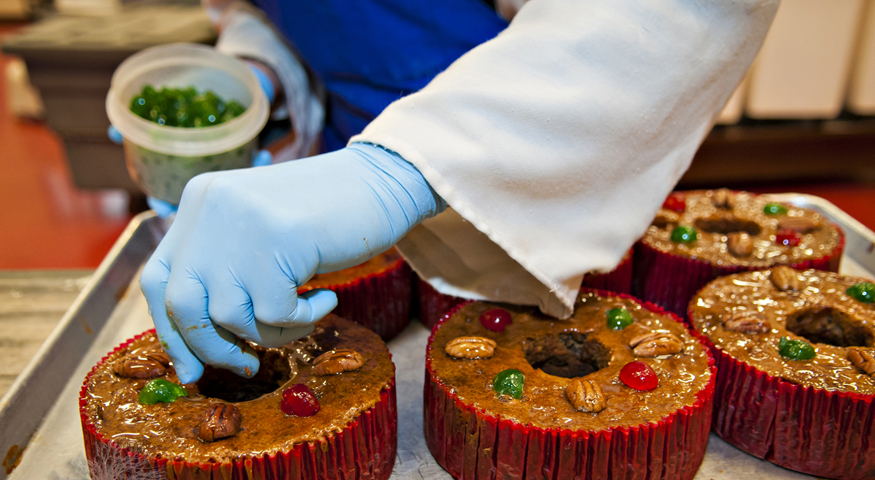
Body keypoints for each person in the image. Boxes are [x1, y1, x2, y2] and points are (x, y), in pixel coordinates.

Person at [139, 0, 780, 384]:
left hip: (543, 157)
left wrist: (411, 168)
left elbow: (664, 15)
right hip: (333, 165)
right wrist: (263, 77)